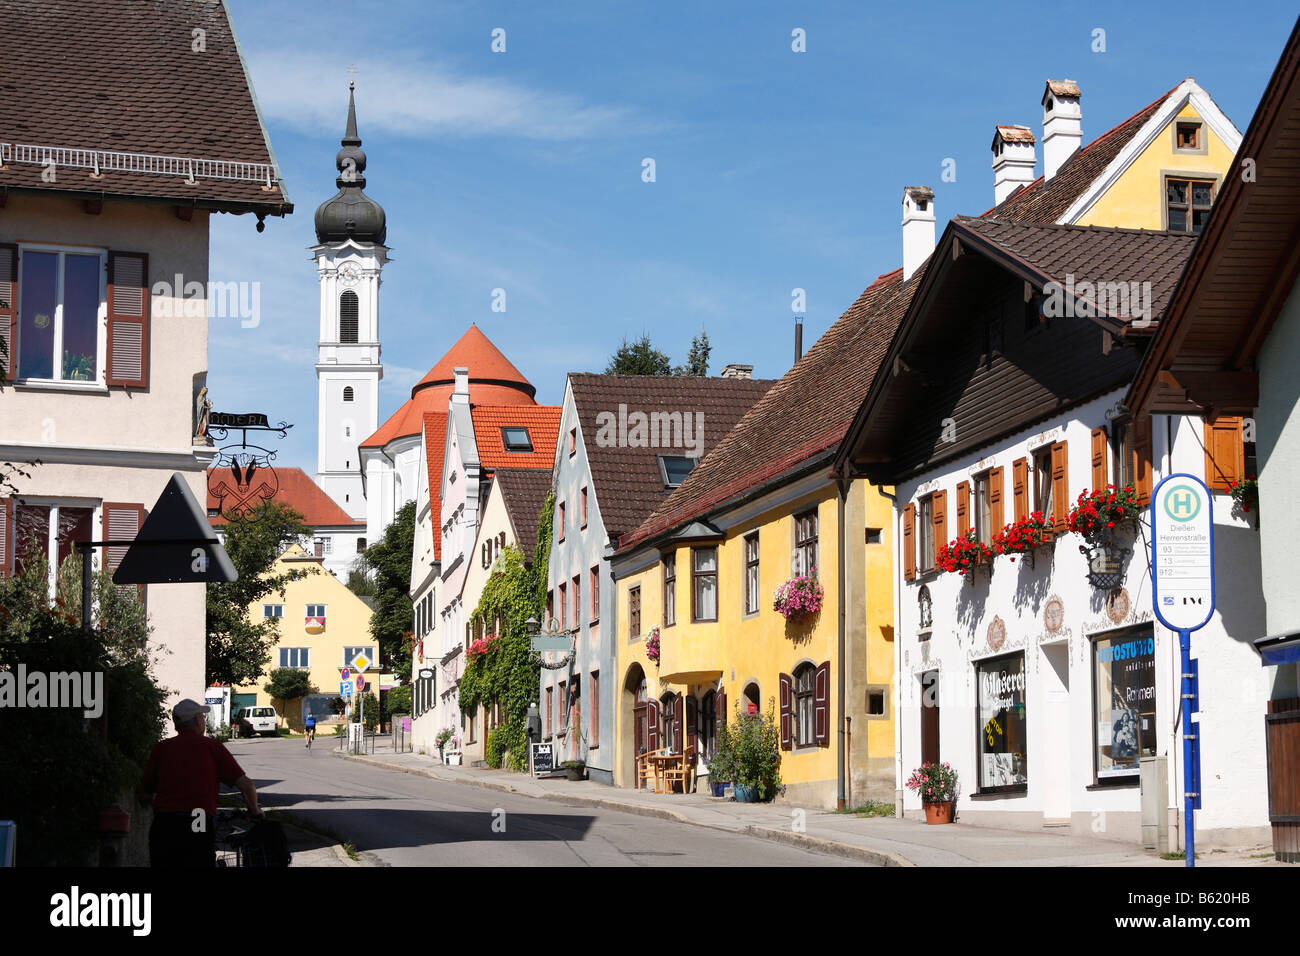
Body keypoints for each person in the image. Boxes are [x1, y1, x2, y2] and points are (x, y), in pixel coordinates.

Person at [137, 699, 263, 867]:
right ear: (197, 720)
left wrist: (167, 808)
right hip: (198, 820)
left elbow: (144, 793)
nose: (204, 720)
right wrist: (255, 811)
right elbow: (246, 785)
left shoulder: (161, 748)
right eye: (203, 717)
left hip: (165, 824)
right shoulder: (212, 747)